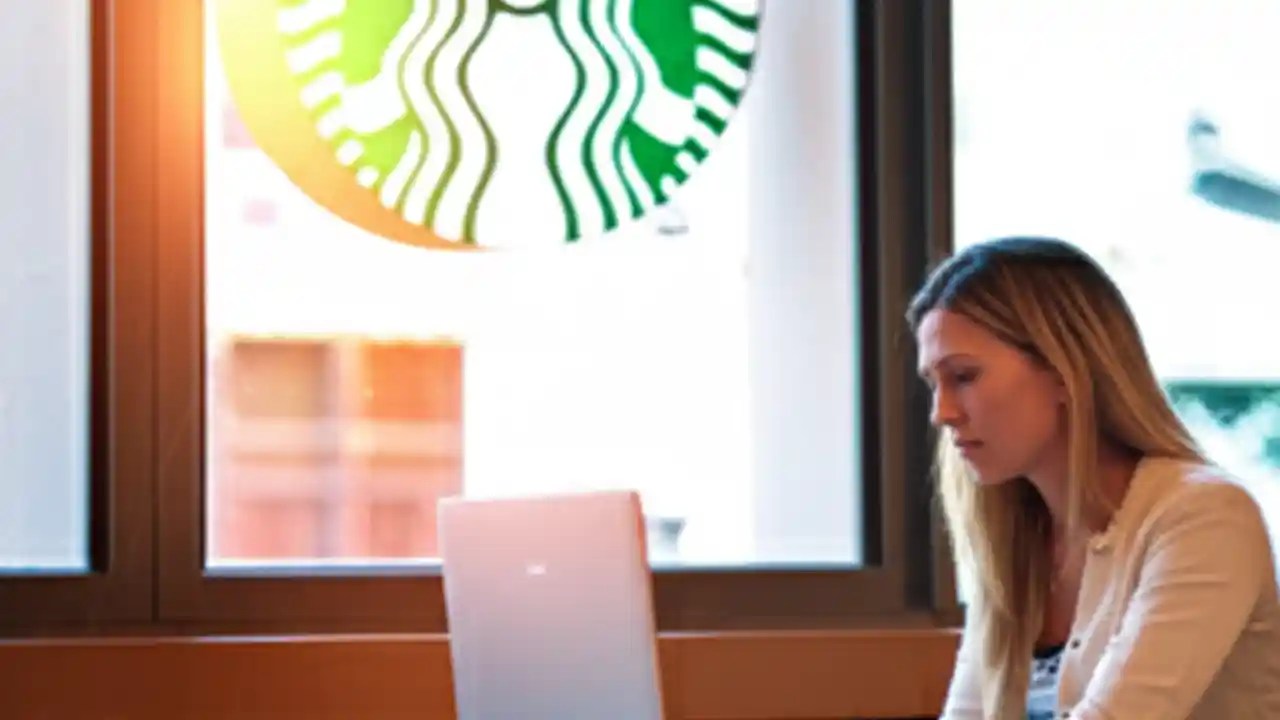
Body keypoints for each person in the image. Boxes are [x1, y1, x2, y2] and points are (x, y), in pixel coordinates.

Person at [908, 236, 1280, 719]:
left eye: (964, 376)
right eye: (933, 385)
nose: (942, 413)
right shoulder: (1014, 540)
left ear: (1065, 371)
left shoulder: (1204, 517)